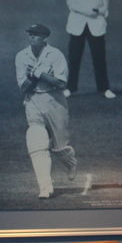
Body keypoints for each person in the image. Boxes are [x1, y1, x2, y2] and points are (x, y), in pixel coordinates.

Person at [15, 23, 78, 198]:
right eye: (30, 34)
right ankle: (45, 187)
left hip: (55, 101)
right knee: (37, 144)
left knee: (59, 148)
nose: (32, 37)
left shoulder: (56, 55)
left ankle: (71, 163)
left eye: (36, 34)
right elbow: (23, 88)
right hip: (33, 100)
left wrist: (41, 74)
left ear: (44, 38)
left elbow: (61, 83)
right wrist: (33, 77)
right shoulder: (21, 56)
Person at [65, 0, 116, 99]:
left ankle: (104, 88)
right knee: (74, 57)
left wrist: (98, 11)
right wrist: (89, 11)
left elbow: (105, 7)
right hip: (77, 25)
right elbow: (71, 4)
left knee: (99, 57)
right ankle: (70, 88)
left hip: (96, 25)